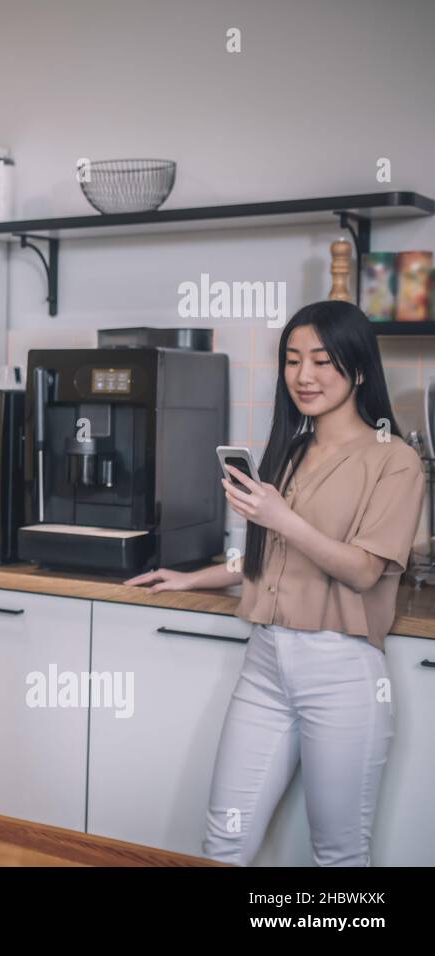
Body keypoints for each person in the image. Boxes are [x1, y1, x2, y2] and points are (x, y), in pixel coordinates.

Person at [126, 301, 425, 865]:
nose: (303, 376)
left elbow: (363, 570)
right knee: (224, 841)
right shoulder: (292, 450)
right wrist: (195, 577)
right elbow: (271, 557)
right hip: (265, 664)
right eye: (291, 361)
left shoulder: (395, 461)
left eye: (321, 360)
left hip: (341, 673)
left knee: (338, 853)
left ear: (358, 368)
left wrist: (280, 515)